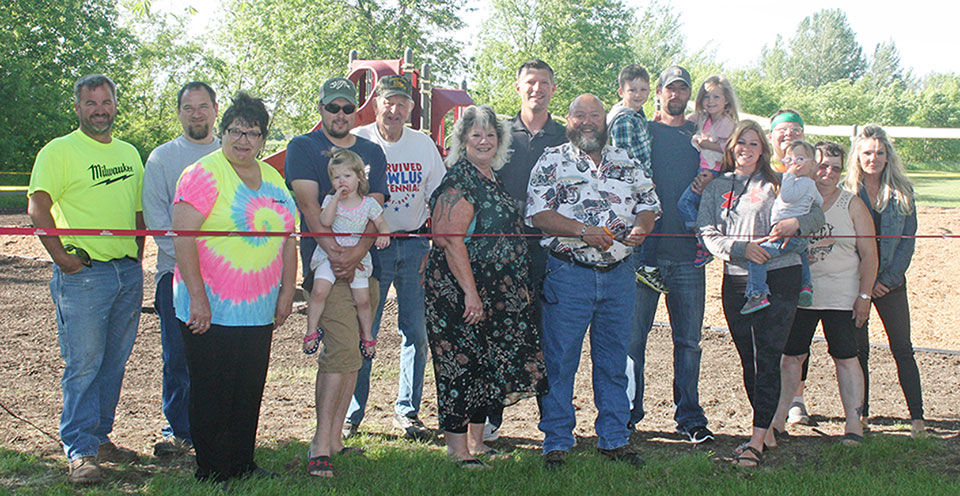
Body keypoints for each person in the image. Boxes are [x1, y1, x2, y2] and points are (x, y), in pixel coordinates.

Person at [529, 94, 660, 470]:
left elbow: (649, 204)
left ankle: (614, 438)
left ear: (605, 120)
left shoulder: (626, 160)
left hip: (620, 276)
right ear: (568, 120)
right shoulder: (552, 160)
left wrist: (642, 226)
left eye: (595, 115)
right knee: (560, 361)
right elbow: (538, 214)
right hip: (568, 275)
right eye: (580, 115)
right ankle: (557, 440)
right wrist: (582, 230)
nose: (588, 122)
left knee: (614, 360)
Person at [172, 92, 296, 483]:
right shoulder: (202, 174)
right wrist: (197, 297)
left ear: (263, 140)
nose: (243, 140)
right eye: (236, 131)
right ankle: (211, 469)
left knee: (247, 390)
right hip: (211, 306)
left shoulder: (274, 178)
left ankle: (242, 463)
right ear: (222, 132)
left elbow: (288, 238)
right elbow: (183, 236)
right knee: (212, 390)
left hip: (257, 308)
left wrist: (287, 292)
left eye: (253, 133)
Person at [27, 74, 144, 484]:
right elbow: (38, 205)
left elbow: (137, 213)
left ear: (115, 104)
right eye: (90, 103)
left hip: (127, 272)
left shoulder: (130, 153)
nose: (99, 110)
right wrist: (62, 258)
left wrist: (138, 259)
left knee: (114, 363)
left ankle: (99, 436)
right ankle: (79, 450)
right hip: (86, 276)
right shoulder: (59, 151)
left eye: (106, 101)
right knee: (83, 365)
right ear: (77, 108)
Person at [425, 105, 547, 467]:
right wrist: (471, 293)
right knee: (459, 367)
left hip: (495, 293)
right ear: (463, 140)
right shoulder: (459, 180)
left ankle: (477, 443)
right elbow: (449, 239)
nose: (484, 141)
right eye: (476, 134)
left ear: (500, 141)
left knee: (485, 367)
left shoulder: (492, 177)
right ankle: (457, 450)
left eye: (490, 135)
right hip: (459, 294)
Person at [697, 120, 824, 467]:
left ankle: (755, 439)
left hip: (779, 277)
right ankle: (764, 426)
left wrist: (796, 224)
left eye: (754, 144)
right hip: (736, 278)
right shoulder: (717, 186)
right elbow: (705, 231)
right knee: (749, 359)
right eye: (741, 143)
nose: (746, 150)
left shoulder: (781, 182)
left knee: (768, 355)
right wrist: (740, 249)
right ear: (731, 147)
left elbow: (816, 215)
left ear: (763, 150)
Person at [284, 77, 389, 477]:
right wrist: (335, 255)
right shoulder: (303, 147)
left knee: (352, 359)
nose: (340, 115)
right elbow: (310, 206)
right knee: (341, 352)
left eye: (348, 108)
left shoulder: (371, 151)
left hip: (363, 267)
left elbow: (375, 209)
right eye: (333, 108)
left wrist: (356, 254)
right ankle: (318, 445)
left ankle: (335, 440)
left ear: (355, 110)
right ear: (322, 109)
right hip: (327, 268)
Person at [348, 75, 445, 440]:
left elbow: (439, 195)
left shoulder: (422, 145)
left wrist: (437, 242)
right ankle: (353, 413)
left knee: (415, 332)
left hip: (416, 245)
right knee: (365, 330)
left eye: (402, 104)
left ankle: (407, 412)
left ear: (410, 109)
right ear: (376, 105)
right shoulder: (361, 143)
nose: (395, 109)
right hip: (372, 247)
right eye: (389, 102)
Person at [627, 66, 714, 445]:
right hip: (642, 255)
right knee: (632, 341)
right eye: (669, 88)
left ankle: (690, 417)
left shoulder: (699, 139)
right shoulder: (641, 131)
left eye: (682, 89)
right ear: (658, 93)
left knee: (689, 342)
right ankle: (628, 415)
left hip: (687, 256)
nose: (675, 95)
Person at [769, 141, 876, 446]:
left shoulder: (852, 204)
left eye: (835, 167)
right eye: (823, 165)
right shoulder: (795, 197)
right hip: (800, 294)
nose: (828, 172)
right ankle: (778, 421)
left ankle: (854, 424)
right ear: (812, 165)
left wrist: (864, 296)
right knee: (791, 358)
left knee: (846, 358)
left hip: (842, 296)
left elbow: (869, 254)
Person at [484, 59, 567, 441]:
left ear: (553, 88)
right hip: (503, 256)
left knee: (551, 339)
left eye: (544, 83)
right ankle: (490, 420)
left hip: (552, 254)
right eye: (530, 82)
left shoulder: (565, 137)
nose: (537, 89)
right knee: (500, 333)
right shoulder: (499, 135)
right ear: (518, 87)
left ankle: (552, 425)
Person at [142, 81, 220, 457]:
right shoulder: (161, 159)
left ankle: (218, 429)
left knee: (221, 358)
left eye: (203, 106)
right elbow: (159, 224)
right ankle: (178, 430)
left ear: (215, 109)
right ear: (179, 113)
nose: (196, 114)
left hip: (227, 280)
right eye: (189, 108)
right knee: (179, 358)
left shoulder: (232, 153)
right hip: (174, 276)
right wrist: (194, 265)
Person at [843, 124, 926, 437]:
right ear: (858, 156)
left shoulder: (903, 192)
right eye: (867, 153)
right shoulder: (847, 192)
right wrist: (865, 283)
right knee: (858, 351)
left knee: (902, 348)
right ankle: (861, 416)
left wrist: (886, 281)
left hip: (890, 284)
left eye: (879, 152)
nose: (873, 158)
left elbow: (907, 241)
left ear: (887, 156)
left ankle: (917, 419)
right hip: (856, 283)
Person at [304, 149, 391, 361]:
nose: (342, 181)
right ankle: (311, 330)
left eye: (347, 176)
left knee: (362, 300)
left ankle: (367, 335)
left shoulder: (368, 203)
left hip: (358, 257)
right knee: (319, 291)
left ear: (359, 177)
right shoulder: (330, 200)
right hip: (329, 255)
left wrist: (384, 236)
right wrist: (334, 200)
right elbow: (325, 221)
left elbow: (381, 223)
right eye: (336, 177)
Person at [766, 108, 812, 425]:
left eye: (795, 129)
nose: (789, 134)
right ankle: (768, 400)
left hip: (795, 257)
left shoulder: (809, 169)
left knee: (797, 332)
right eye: (783, 130)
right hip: (764, 258)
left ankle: (796, 398)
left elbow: (821, 212)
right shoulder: (763, 169)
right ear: (772, 137)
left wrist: (799, 223)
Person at [741, 140, 821, 314]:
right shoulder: (811, 186)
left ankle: (757, 294)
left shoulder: (798, 182)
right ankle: (806, 286)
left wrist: (789, 175)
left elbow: (787, 196)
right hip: (799, 239)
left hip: (785, 236)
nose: (793, 164)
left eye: (799, 160)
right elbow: (819, 203)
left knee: (757, 254)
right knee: (802, 254)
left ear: (812, 164)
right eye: (789, 160)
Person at [677, 75, 740, 267]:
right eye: (707, 97)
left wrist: (707, 144)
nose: (710, 101)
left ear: (726, 100)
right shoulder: (702, 119)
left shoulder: (727, 123)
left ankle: (703, 241)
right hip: (702, 169)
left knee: (685, 202)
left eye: (716, 97)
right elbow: (684, 120)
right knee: (697, 206)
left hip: (714, 172)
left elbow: (730, 148)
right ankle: (702, 239)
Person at [768, 109, 805, 173]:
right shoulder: (760, 169)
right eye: (782, 129)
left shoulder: (812, 171)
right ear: (770, 137)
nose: (789, 133)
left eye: (795, 130)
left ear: (803, 137)